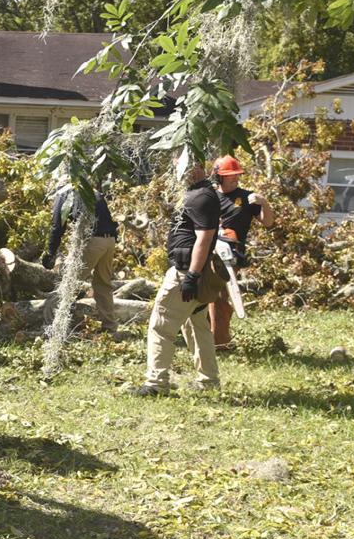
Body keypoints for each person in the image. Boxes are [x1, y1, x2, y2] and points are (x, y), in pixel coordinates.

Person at [133, 160, 221, 396]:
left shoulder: (202, 196)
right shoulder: (197, 194)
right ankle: (209, 381)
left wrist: (192, 275)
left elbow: (204, 239)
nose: (177, 170)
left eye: (181, 166)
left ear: (196, 167)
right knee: (197, 327)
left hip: (186, 273)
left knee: (161, 326)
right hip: (192, 271)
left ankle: (156, 384)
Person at [208, 154, 273, 350]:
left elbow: (268, 222)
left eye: (236, 174)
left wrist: (264, 202)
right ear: (219, 177)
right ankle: (203, 338)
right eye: (230, 175)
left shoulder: (247, 198)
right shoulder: (209, 197)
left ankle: (219, 342)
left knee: (219, 298)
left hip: (230, 255)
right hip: (206, 251)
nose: (234, 178)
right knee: (201, 295)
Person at [40, 188, 121, 334]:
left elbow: (57, 226)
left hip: (93, 241)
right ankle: (110, 327)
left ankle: (55, 327)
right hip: (109, 240)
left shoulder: (64, 194)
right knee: (103, 285)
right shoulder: (92, 191)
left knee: (68, 283)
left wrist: (50, 252)